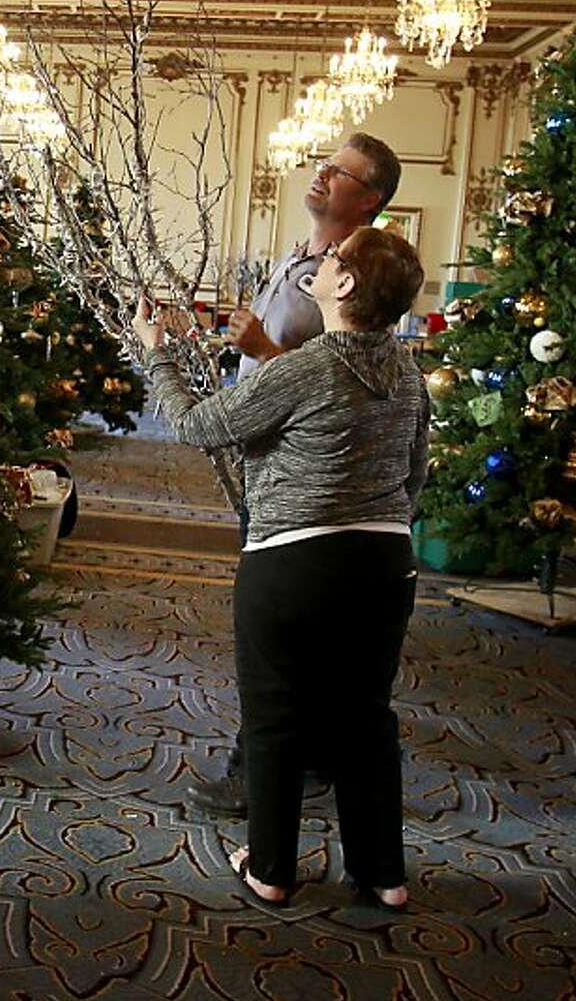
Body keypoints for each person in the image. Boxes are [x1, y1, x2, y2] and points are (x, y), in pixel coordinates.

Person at [133, 225, 429, 908]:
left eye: (334, 257)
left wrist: (156, 354)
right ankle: (383, 874)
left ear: (345, 285)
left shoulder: (307, 367)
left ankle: (270, 868)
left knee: (276, 714)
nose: (321, 260)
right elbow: (415, 473)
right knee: (367, 717)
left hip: (296, 559)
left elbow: (197, 426)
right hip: (387, 561)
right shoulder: (410, 373)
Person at [189, 132, 403, 818]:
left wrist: (261, 350)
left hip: (302, 488)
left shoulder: (353, 276)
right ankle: (302, 764)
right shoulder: (303, 254)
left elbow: (341, 379)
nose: (321, 174)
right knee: (294, 643)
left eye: (341, 172)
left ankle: (267, 776)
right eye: (325, 164)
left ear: (368, 199)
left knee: (280, 647)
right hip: (270, 468)